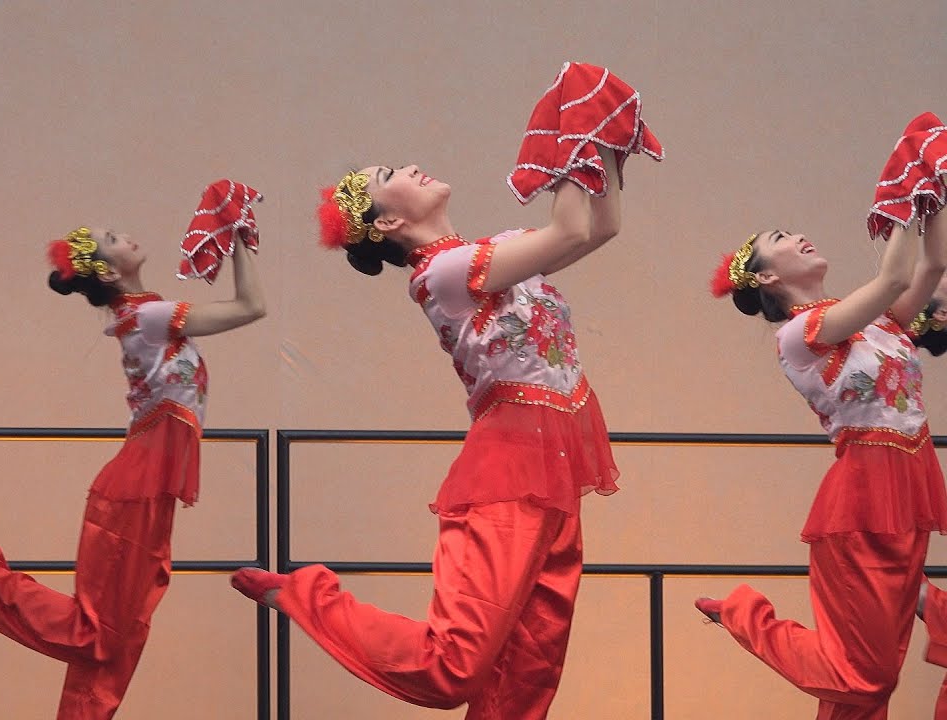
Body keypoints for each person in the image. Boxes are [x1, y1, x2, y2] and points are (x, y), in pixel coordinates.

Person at [229, 62, 662, 719]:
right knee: (451, 668)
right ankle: (307, 595)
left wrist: (599, 138)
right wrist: (573, 131)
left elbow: (599, 227)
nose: (411, 169)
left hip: (556, 459)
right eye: (391, 176)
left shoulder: (496, 249)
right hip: (508, 468)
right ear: (383, 224)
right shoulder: (445, 275)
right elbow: (572, 228)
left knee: (529, 671)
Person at [0, 213, 265, 719]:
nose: (127, 234)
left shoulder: (144, 314)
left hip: (143, 486)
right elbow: (251, 307)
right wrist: (238, 237)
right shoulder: (150, 316)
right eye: (113, 239)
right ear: (109, 273)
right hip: (136, 486)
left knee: (117, 638)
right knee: (102, 634)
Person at [699, 115, 947, 718]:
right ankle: (745, 614)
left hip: (909, 487)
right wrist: (903, 195)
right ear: (766, 276)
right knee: (864, 680)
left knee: (866, 686)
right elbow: (892, 278)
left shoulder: (878, 323)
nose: (798, 236)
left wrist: (933, 192)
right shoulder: (800, 335)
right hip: (862, 500)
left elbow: (930, 269)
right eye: (781, 238)